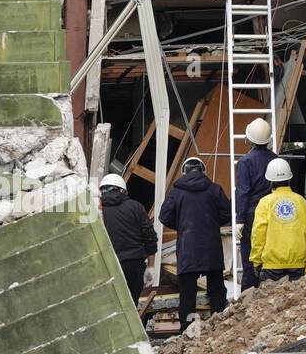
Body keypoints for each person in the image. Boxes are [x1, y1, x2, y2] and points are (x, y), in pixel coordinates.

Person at [158, 156, 231, 329]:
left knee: (187, 294)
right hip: (211, 248)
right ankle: (218, 324)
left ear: (183, 172)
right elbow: (227, 214)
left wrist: (182, 225)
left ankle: (187, 329)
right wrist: (212, 223)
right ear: (202, 171)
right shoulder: (214, 189)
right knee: (216, 289)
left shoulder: (176, 193)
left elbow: (164, 216)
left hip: (187, 248)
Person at [249, 157, 306, 282]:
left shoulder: (265, 202)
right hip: (297, 264)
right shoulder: (301, 201)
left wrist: (256, 260)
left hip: (271, 266)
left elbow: (258, 234)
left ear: (270, 181)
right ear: (289, 179)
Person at [99, 173, 157, 305]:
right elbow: (150, 237)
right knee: (131, 305)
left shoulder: (97, 211)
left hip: (110, 265)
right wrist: (151, 265)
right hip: (135, 266)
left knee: (112, 306)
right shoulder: (136, 207)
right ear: (123, 190)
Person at [234, 117, 274, 290]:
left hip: (252, 214)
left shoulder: (245, 162)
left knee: (250, 256)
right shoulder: (275, 159)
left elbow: (243, 192)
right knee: (270, 251)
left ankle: (248, 294)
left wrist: (239, 219)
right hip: (271, 211)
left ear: (249, 138)